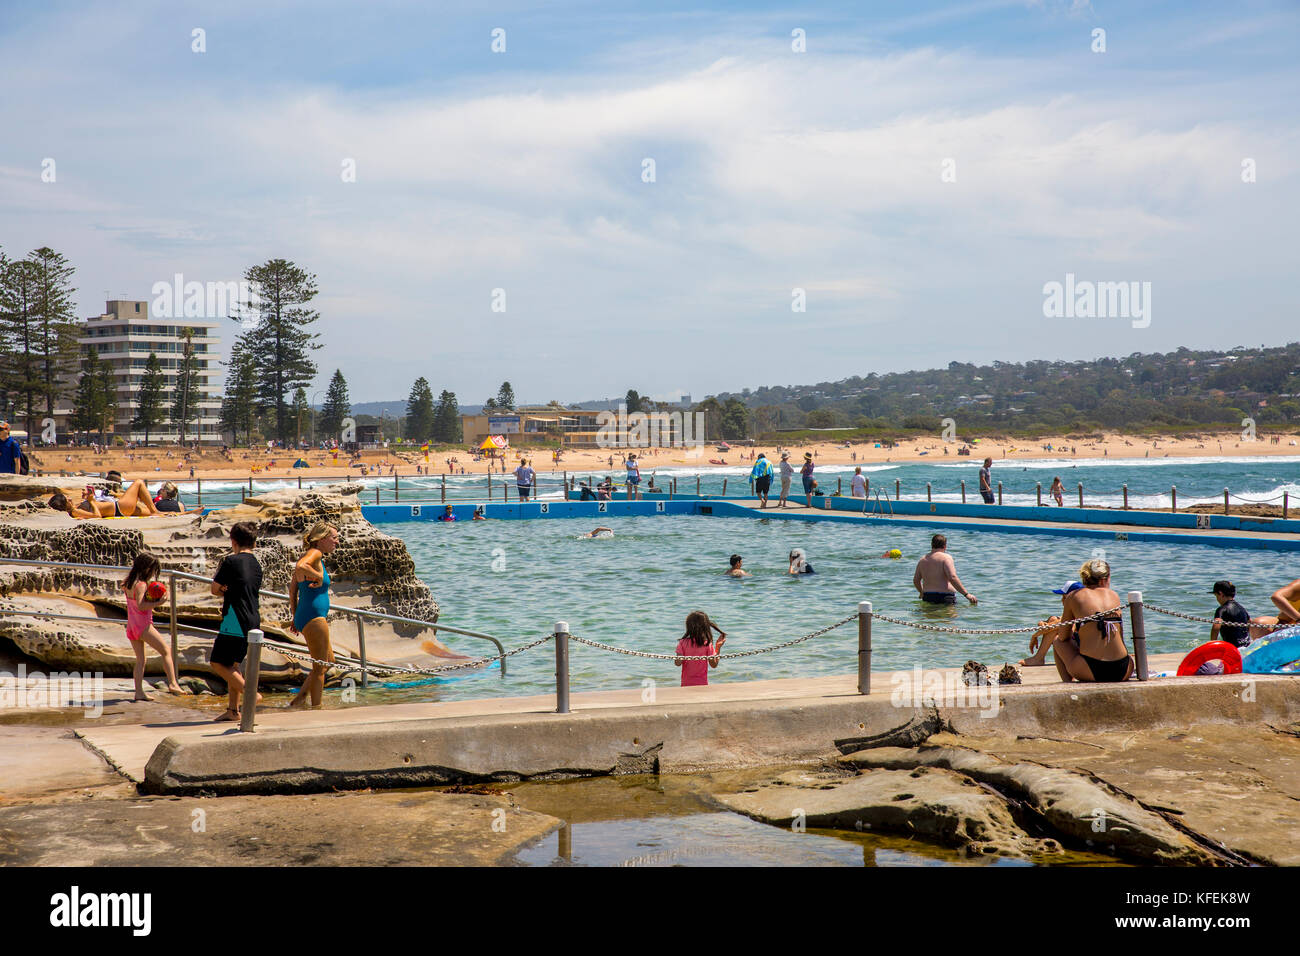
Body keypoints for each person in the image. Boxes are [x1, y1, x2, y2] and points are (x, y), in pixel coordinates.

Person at [209, 522, 263, 722]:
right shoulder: (256, 564)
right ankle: (233, 711)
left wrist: (223, 588)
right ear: (254, 542)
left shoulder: (231, 561)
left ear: (233, 541)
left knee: (217, 662)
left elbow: (214, 589)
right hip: (253, 618)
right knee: (233, 664)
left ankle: (251, 694)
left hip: (234, 618)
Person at [1050, 558, 1133, 683]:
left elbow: (1063, 637)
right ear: (1104, 579)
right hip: (1123, 668)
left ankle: (1068, 686)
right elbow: (1120, 636)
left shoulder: (1074, 596)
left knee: (1057, 642)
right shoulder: (1114, 595)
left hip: (1092, 668)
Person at [288, 522, 339, 710]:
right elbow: (301, 566)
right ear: (322, 539)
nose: (337, 542)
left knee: (329, 661)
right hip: (314, 617)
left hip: (307, 614)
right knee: (319, 667)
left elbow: (293, 588)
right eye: (334, 538)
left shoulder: (314, 556)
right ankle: (316, 708)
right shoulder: (314, 554)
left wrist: (295, 616)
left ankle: (299, 699)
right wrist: (318, 577)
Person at [122, 552, 184, 699]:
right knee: (166, 651)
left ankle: (138, 693)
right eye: (152, 570)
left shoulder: (127, 582)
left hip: (131, 626)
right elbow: (141, 605)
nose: (152, 574)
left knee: (141, 660)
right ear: (146, 568)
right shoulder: (141, 585)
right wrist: (159, 602)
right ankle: (173, 683)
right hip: (143, 626)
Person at [1020, 581, 1081, 666]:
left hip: (1081, 650)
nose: (1061, 600)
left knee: (1056, 626)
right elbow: (1057, 621)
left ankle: (1038, 658)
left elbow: (1059, 624)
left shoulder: (1081, 612)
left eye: (1064, 597)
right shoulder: (1075, 611)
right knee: (1053, 619)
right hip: (1074, 647)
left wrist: (1035, 635)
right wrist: (1042, 623)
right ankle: (1039, 658)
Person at [912, 534, 977, 605]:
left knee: (930, 616)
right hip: (945, 597)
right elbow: (952, 577)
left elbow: (916, 580)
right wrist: (966, 594)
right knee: (947, 615)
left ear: (931, 545)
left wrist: (921, 592)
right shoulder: (946, 558)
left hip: (928, 596)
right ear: (945, 546)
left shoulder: (923, 560)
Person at [674, 611, 726, 686]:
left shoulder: (682, 643)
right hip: (702, 684)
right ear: (706, 627)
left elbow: (677, 663)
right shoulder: (707, 644)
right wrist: (718, 647)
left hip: (686, 684)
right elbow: (714, 665)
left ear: (688, 626)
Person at [1209, 580, 1252, 647]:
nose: (1217, 599)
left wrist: (1212, 644)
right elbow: (1250, 623)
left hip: (1233, 648)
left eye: (1216, 595)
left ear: (1221, 594)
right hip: (1245, 645)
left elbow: (1216, 626)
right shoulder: (1242, 608)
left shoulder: (1222, 609)